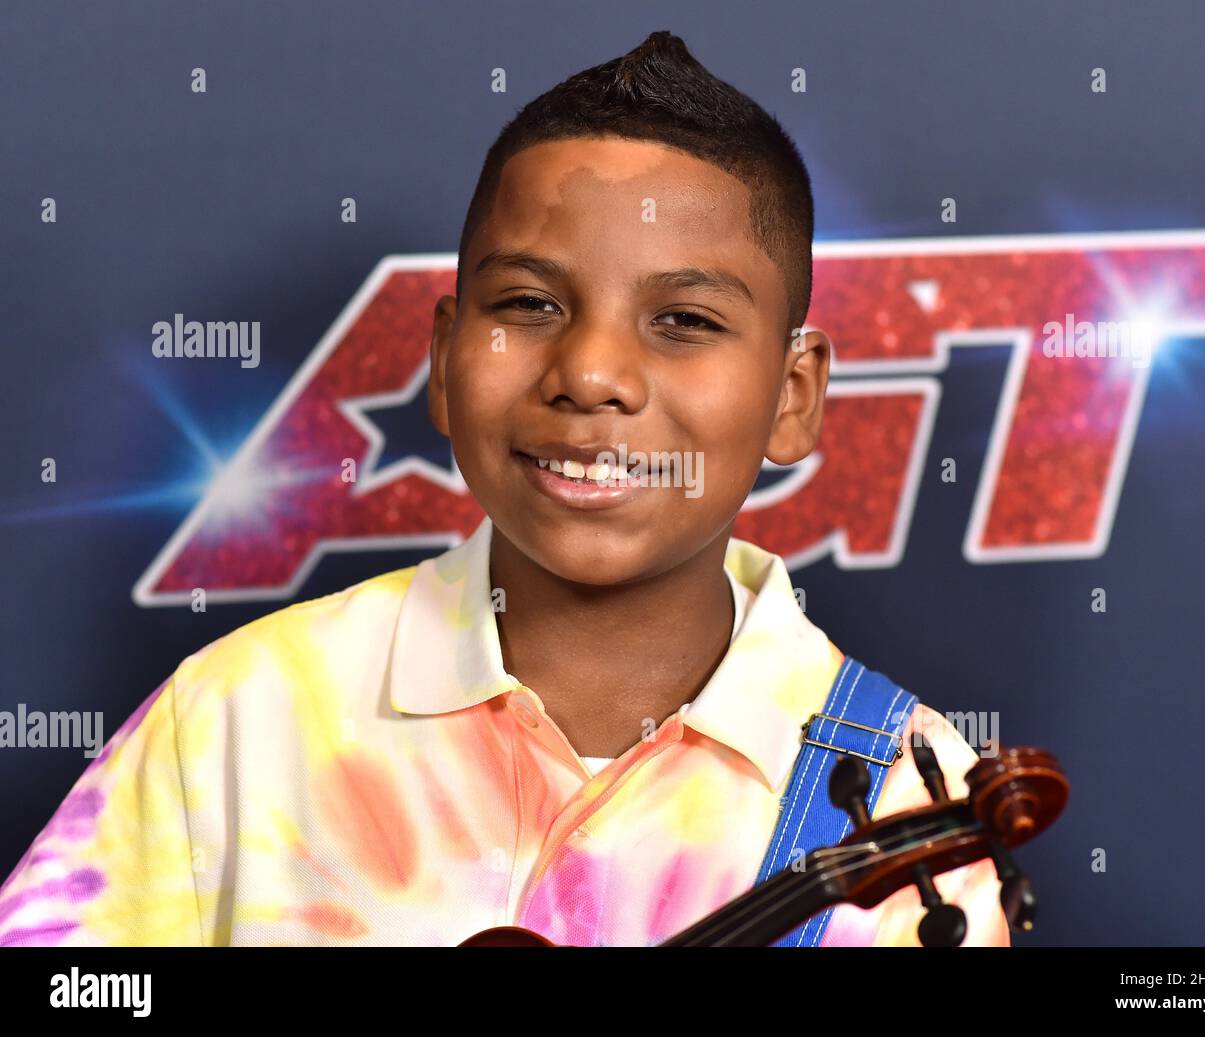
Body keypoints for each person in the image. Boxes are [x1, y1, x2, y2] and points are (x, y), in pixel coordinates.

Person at [0, 31, 1008, 947]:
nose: (590, 372)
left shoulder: (904, 791)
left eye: (684, 321)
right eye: (528, 304)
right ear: (441, 360)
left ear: (793, 396)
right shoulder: (239, 716)